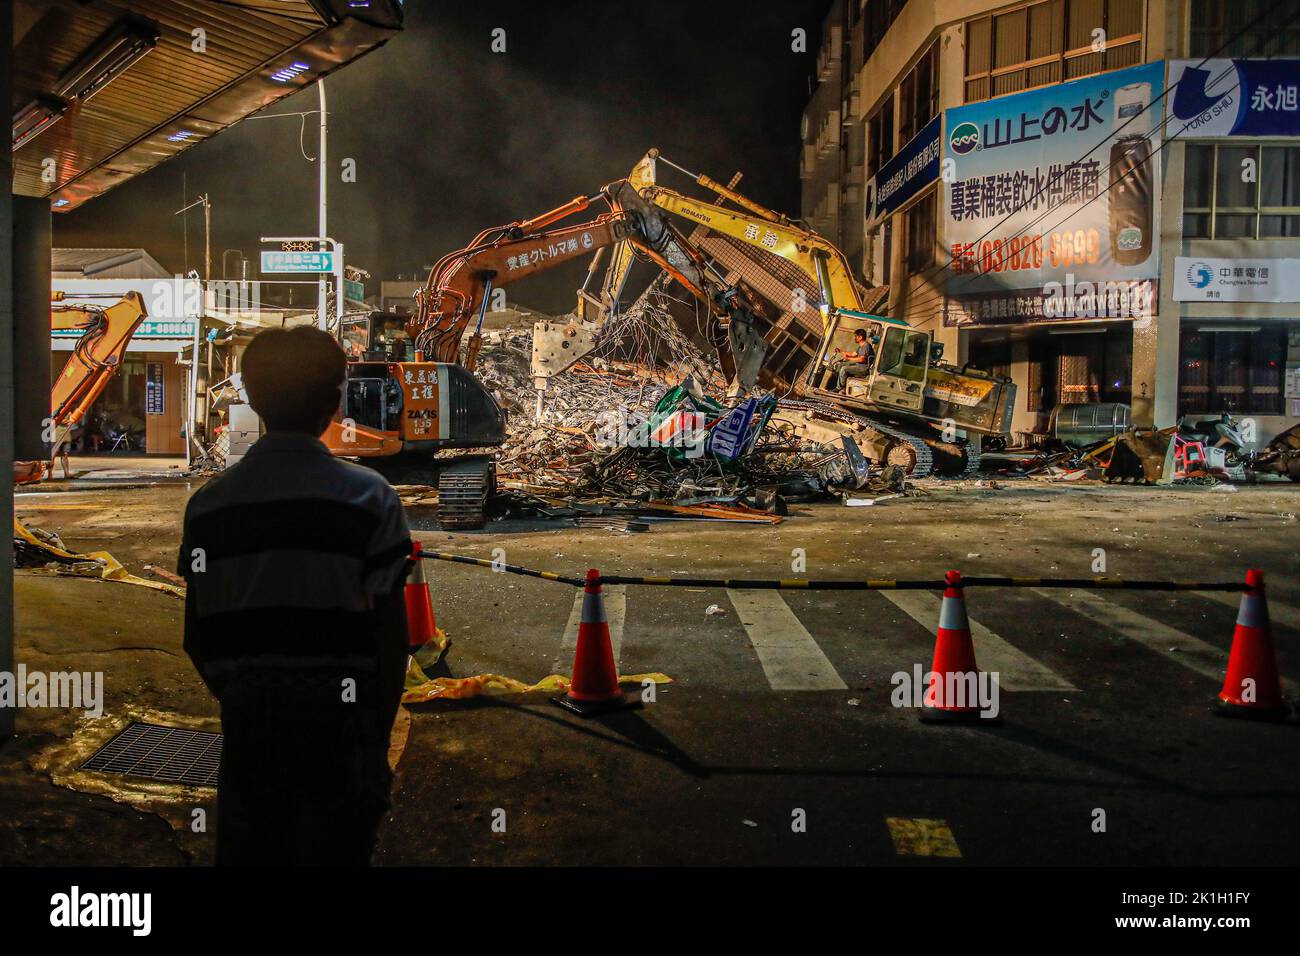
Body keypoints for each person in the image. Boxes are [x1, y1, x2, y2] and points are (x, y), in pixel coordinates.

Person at [178, 326, 412, 866]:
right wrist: (374, 742)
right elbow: (389, 638)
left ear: (253, 401)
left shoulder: (209, 507)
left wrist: (247, 696)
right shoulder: (371, 498)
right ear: (335, 402)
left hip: (250, 730)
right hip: (341, 732)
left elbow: (198, 634)